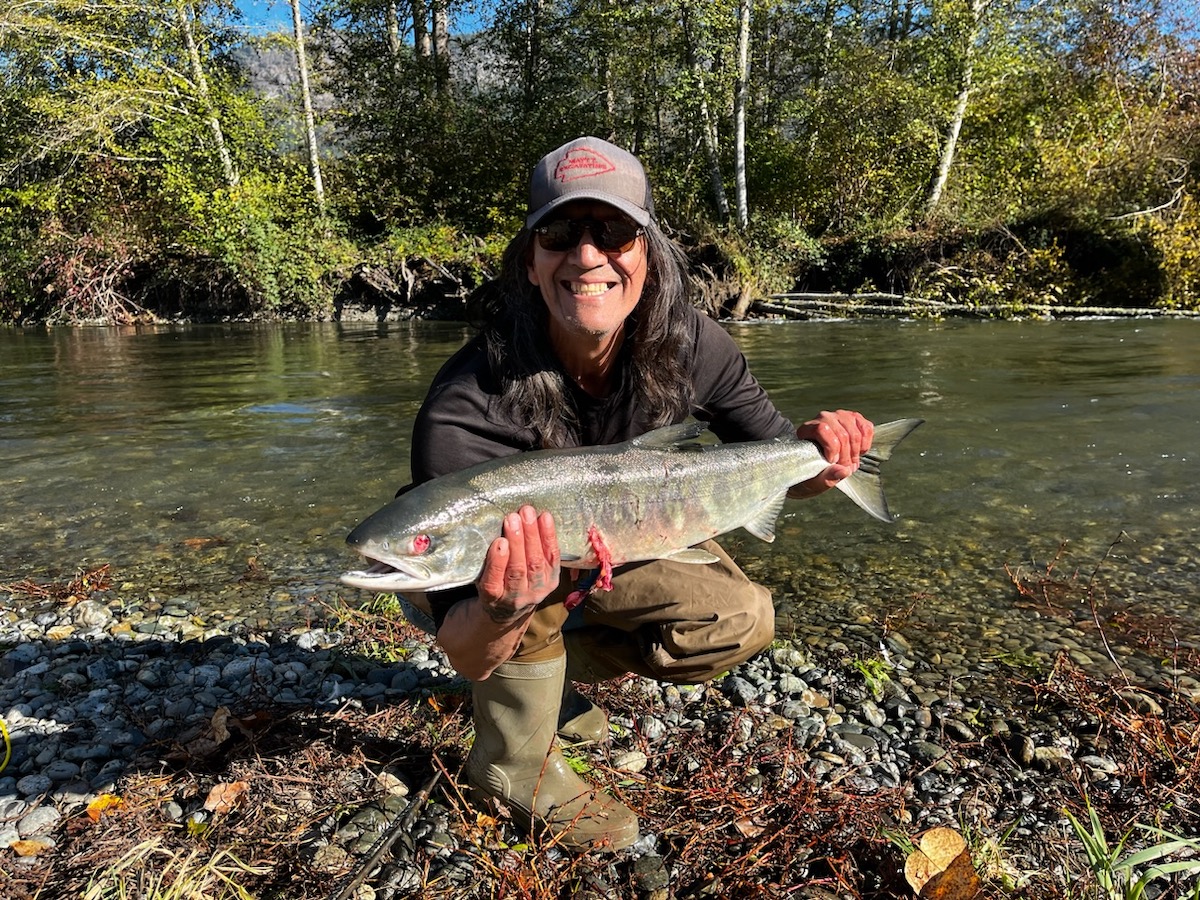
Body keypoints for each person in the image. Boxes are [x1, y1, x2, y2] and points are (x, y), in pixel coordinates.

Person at [396, 136, 875, 851]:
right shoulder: (468, 403)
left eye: (613, 232)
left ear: (647, 252)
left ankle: (552, 687)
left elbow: (783, 465)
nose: (587, 257)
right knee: (523, 575)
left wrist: (825, 456)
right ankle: (509, 762)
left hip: (626, 548)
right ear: (530, 260)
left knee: (740, 616)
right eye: (559, 233)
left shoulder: (696, 345)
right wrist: (498, 604)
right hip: (506, 585)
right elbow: (465, 648)